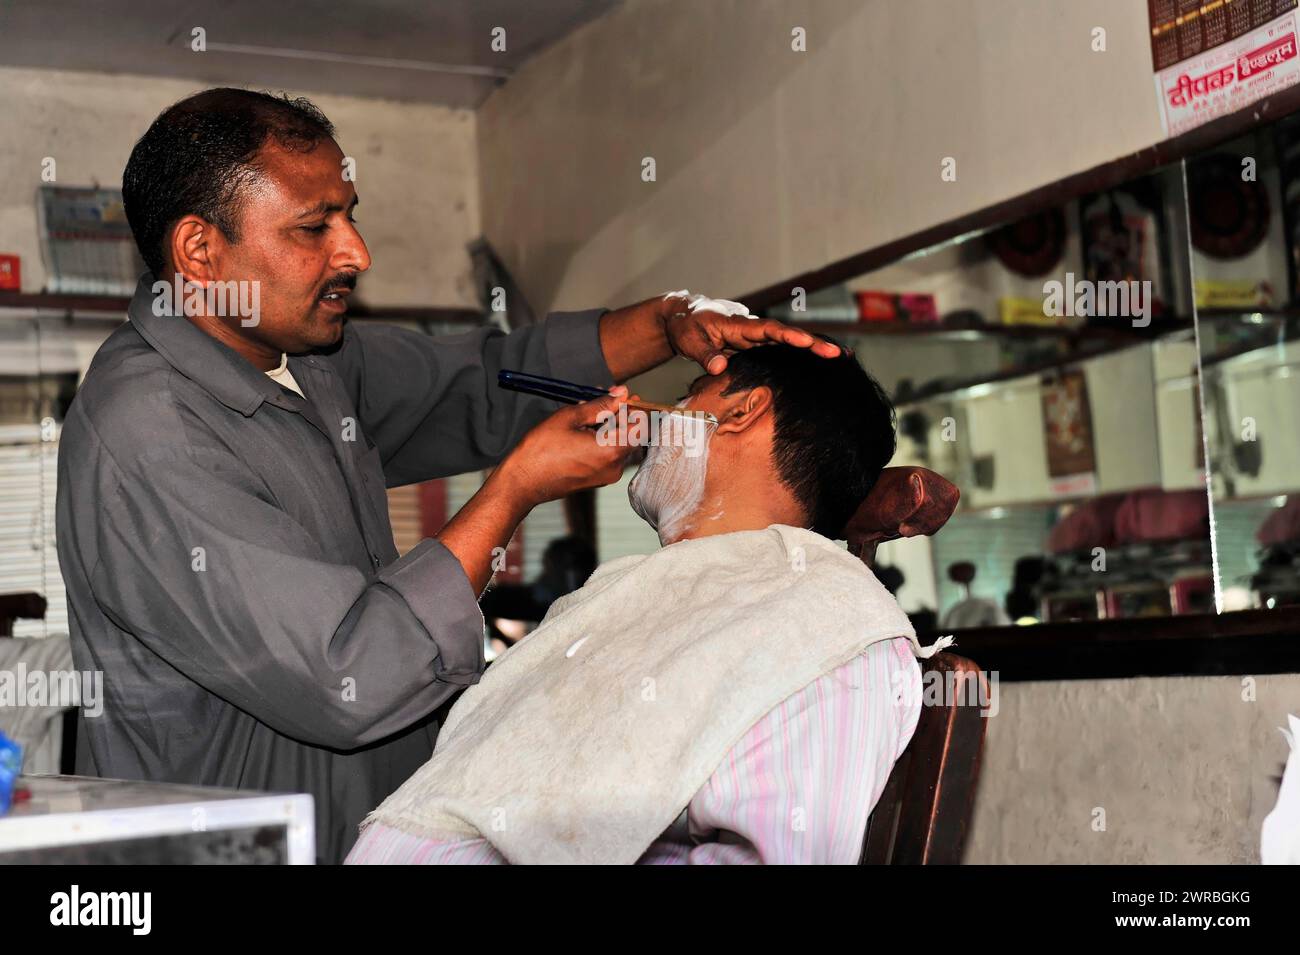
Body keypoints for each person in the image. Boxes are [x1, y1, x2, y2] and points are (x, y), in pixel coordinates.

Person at [54, 88, 843, 863]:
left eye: (350, 215)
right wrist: (513, 491)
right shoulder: (149, 434)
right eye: (314, 226)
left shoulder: (310, 360)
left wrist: (665, 324)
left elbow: (488, 380)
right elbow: (349, 671)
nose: (355, 252)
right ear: (200, 251)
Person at [347, 342, 951, 865]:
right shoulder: (626, 593)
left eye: (690, 395)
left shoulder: (826, 626)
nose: (660, 418)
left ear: (741, 411)